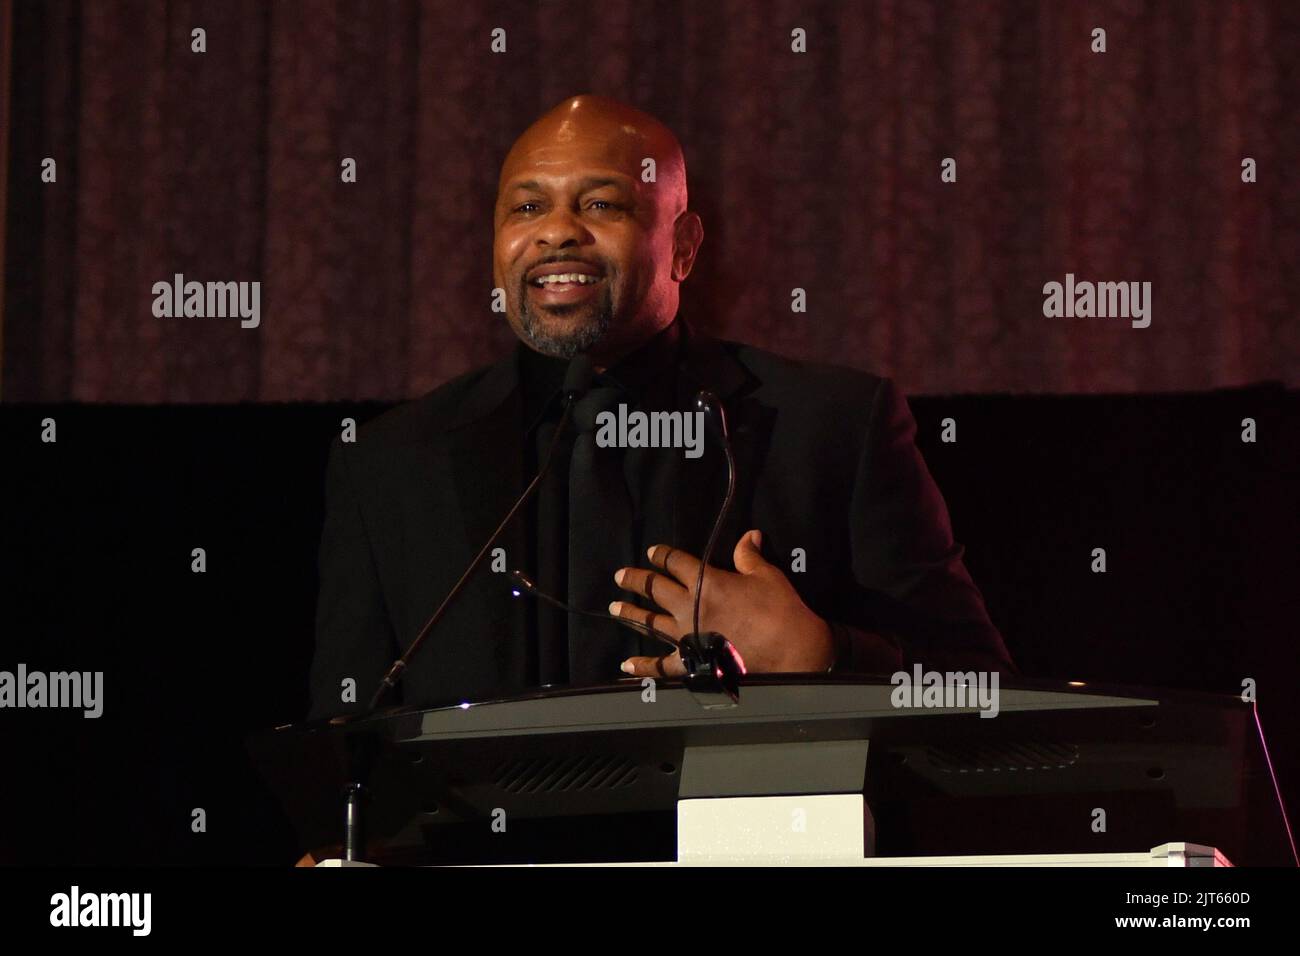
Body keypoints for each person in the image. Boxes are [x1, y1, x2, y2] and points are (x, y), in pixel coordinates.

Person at [307, 94, 1016, 722]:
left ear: (683, 247)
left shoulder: (834, 426)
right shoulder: (392, 463)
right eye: (526, 207)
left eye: (601, 204)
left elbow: (982, 690)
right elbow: (343, 740)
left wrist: (823, 656)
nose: (556, 231)